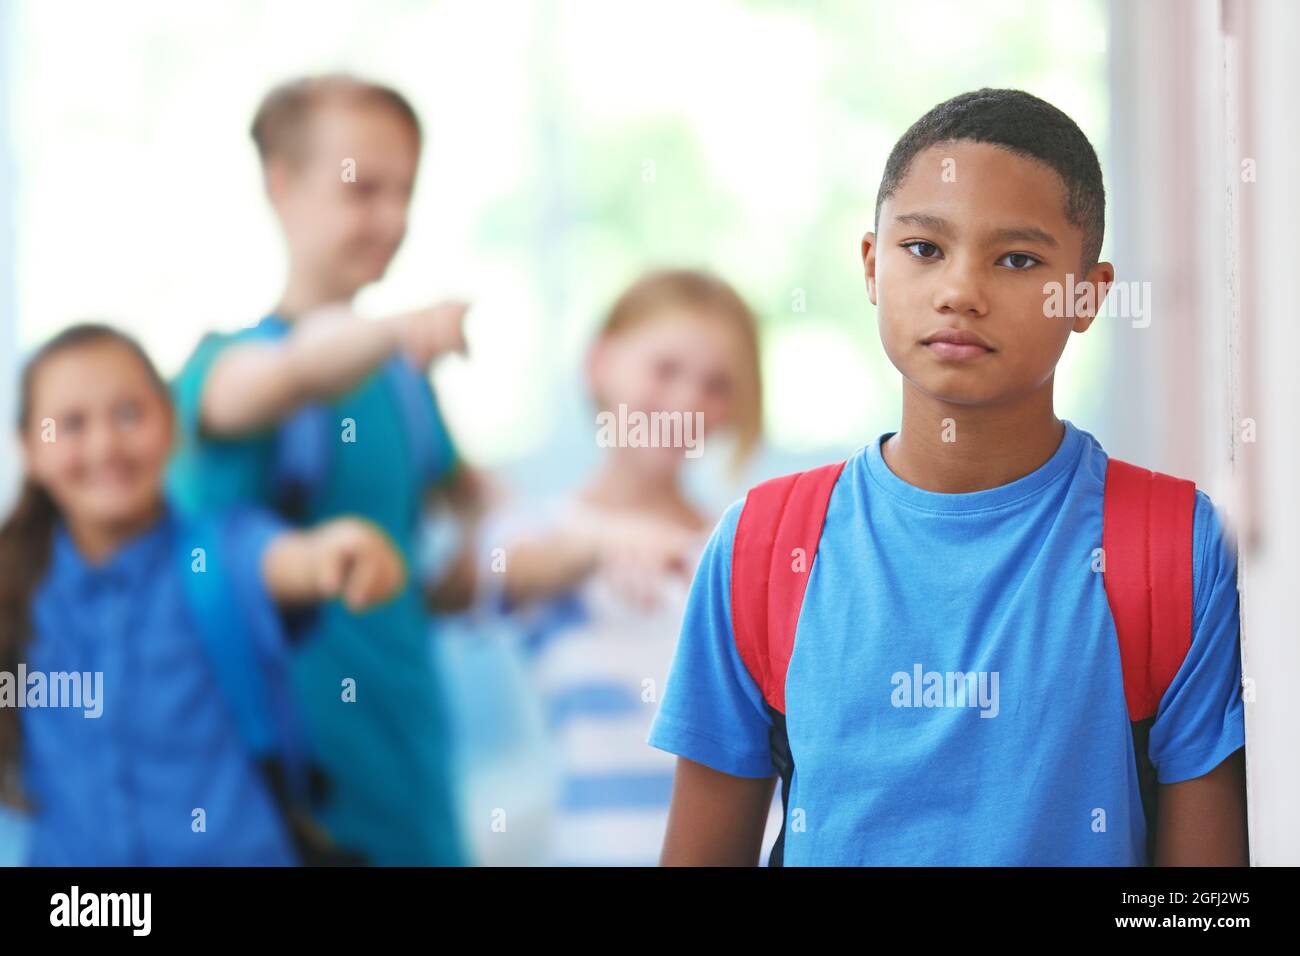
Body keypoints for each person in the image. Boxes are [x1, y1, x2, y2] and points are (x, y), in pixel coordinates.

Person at [648, 89, 1248, 866]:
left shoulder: (1174, 547)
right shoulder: (764, 545)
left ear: (1088, 296)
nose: (960, 291)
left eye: (1018, 260)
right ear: (871, 265)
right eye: (925, 249)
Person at [166, 74, 478, 865]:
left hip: (411, 769)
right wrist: (391, 330)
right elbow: (292, 374)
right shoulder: (225, 370)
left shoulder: (405, 388)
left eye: (405, 191)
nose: (394, 219)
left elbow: (470, 512)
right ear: (281, 186)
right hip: (282, 799)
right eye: (363, 189)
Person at [0, 323, 406, 865]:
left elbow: (286, 561)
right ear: (30, 447)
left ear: (170, 424)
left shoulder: (218, 554)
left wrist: (337, 552)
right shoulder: (16, 591)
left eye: (128, 414)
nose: (104, 445)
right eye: (70, 425)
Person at [478, 269, 763, 865]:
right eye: (665, 371)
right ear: (600, 363)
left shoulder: (746, 543)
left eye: (716, 385)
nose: (688, 402)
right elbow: (507, 572)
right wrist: (600, 546)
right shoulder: (536, 535)